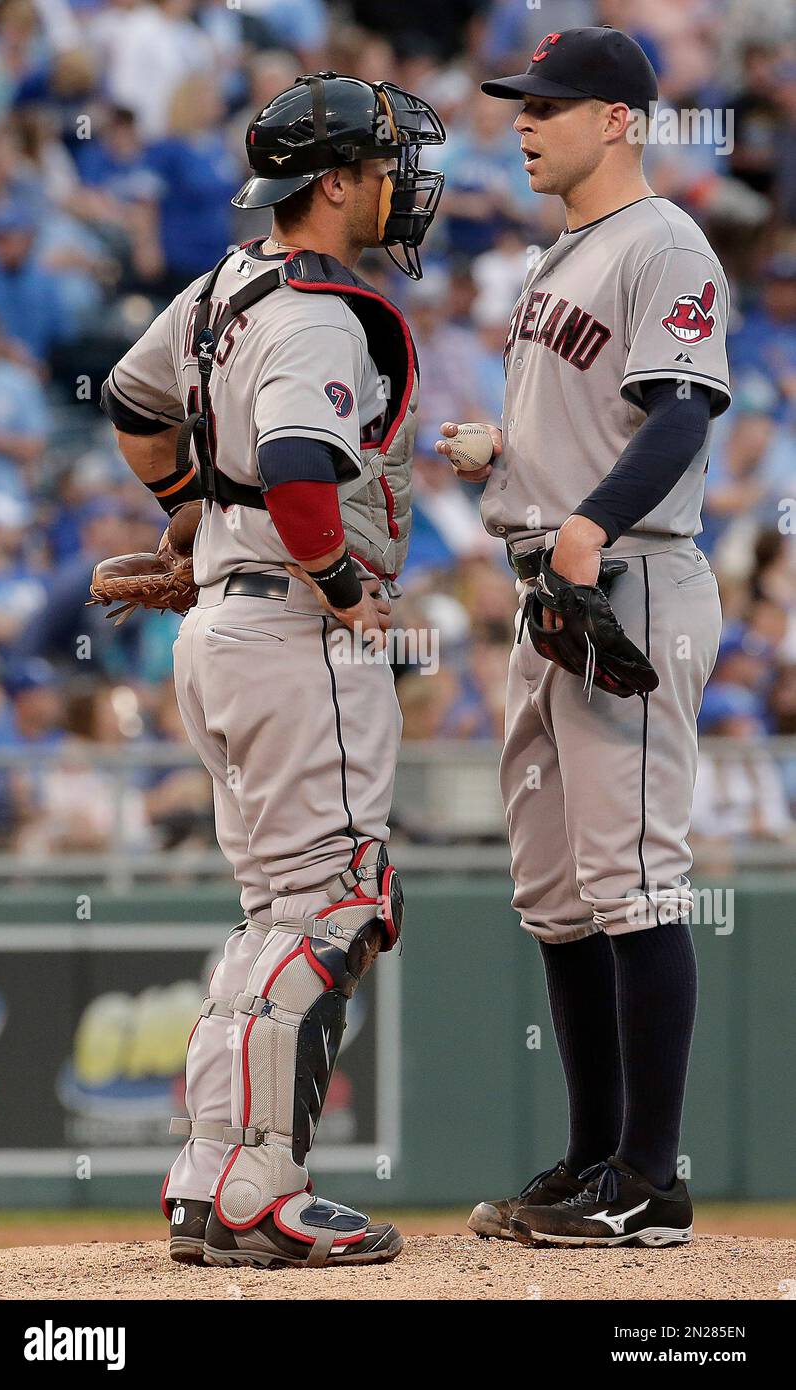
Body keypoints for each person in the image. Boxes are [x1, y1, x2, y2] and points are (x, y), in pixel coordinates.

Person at [99, 71, 444, 1269]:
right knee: (338, 903)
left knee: (271, 916)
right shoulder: (315, 313)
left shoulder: (219, 289)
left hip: (219, 629)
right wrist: (349, 594)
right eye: (388, 165)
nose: (404, 185)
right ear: (335, 183)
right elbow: (303, 474)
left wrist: (192, 515)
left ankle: (209, 1176)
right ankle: (259, 1189)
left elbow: (137, 405)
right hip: (296, 635)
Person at [436, 27, 729, 1248]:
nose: (525, 118)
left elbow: (687, 406)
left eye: (552, 102)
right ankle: (591, 1157)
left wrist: (592, 518)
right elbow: (597, 419)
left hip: (633, 581)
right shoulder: (564, 257)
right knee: (557, 894)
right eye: (520, 100)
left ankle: (652, 1178)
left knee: (633, 879)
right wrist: (508, 459)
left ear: (621, 119)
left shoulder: (664, 241)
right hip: (554, 587)